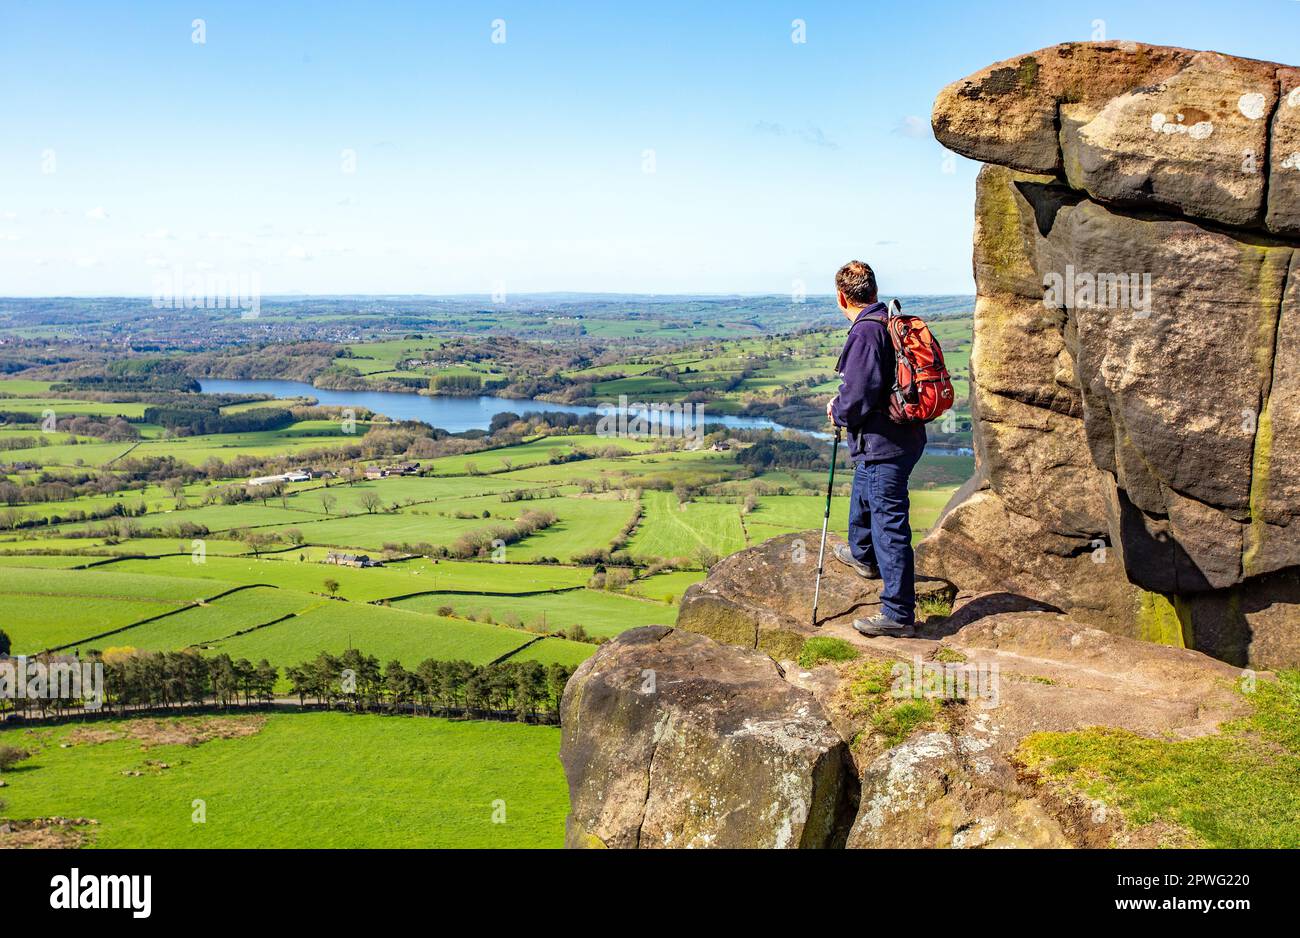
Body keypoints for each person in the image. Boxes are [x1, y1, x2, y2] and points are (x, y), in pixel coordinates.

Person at [825, 260, 927, 637]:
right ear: (873, 291)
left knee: (889, 524)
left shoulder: (866, 333)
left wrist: (838, 411)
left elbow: (859, 396)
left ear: (841, 296)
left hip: (886, 443)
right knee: (864, 493)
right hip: (898, 438)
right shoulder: (887, 321)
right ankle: (864, 555)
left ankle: (899, 614)